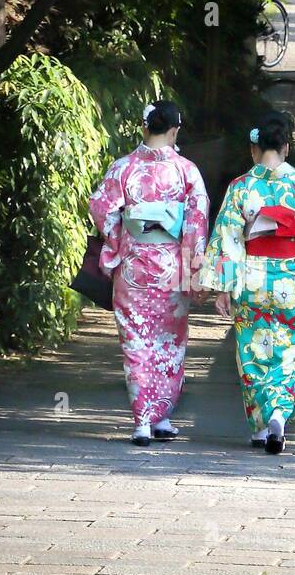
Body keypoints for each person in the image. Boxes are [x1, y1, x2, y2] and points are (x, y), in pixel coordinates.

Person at [200, 111, 295, 454]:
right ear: (286, 147)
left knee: (252, 350)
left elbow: (228, 238)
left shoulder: (241, 187)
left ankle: (261, 427)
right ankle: (279, 412)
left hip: (251, 278)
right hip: (290, 278)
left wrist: (224, 287)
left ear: (254, 148)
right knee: (289, 349)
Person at [88, 100, 210, 446]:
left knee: (136, 342)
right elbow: (196, 223)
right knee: (169, 343)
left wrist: (118, 243)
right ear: (175, 130)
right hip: (171, 267)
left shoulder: (123, 168)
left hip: (133, 268)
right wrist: (195, 270)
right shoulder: (186, 171)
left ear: (145, 127)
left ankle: (145, 420)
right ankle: (161, 416)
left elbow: (101, 208)